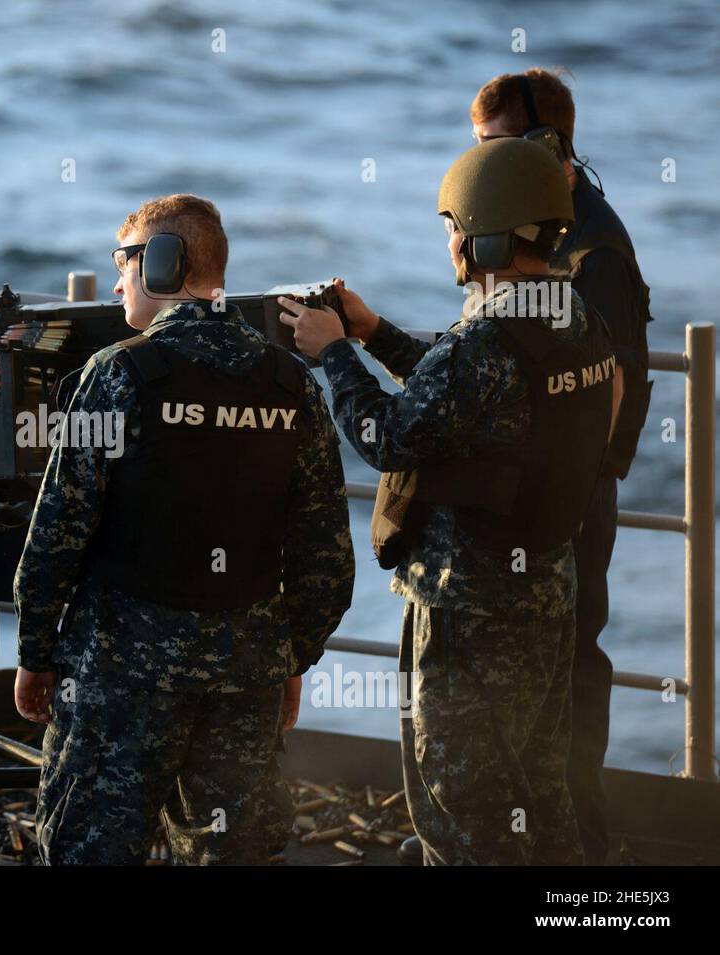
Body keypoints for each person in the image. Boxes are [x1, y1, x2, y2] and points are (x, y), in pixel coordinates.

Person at [280, 138, 620, 865]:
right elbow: (464, 404)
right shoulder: (574, 320)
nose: (451, 243)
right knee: (537, 794)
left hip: (468, 611)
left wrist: (333, 354)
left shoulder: (488, 340)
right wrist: (372, 334)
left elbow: (392, 435)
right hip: (545, 594)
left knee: (460, 809)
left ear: (487, 234)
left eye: (454, 229)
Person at [13, 193, 354, 865]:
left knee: (92, 850)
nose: (116, 281)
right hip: (246, 667)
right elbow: (326, 559)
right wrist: (292, 656)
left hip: (119, 673)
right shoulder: (291, 384)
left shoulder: (114, 377)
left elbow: (56, 534)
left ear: (164, 265)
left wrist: (34, 651)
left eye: (125, 260)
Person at [470, 68, 655, 865]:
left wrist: (563, 501)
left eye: (495, 148)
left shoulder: (593, 247)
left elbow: (604, 387)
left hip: (570, 498)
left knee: (573, 658)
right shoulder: (535, 223)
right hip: (528, 491)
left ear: (547, 145)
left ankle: (581, 840)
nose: (480, 167)